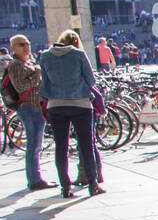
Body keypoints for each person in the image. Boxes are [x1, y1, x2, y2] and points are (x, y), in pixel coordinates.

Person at [39, 30, 103, 198]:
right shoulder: (79, 54)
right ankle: (93, 184)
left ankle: (65, 187)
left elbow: (44, 83)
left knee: (61, 147)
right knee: (86, 145)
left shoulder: (45, 56)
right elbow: (91, 80)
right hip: (81, 104)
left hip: (56, 105)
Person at [5, 34, 52, 192]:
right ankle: (34, 180)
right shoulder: (16, 64)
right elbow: (21, 86)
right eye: (21, 44)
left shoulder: (26, 62)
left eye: (27, 43)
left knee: (36, 145)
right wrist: (37, 73)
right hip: (29, 108)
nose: (26, 46)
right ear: (13, 48)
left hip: (35, 107)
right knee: (33, 145)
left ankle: (35, 178)